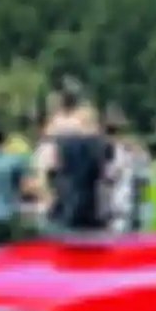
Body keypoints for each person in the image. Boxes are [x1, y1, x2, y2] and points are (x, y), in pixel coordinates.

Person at [37, 92, 114, 234]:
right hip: (86, 191)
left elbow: (47, 166)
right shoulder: (86, 123)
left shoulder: (54, 126)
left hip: (64, 185)